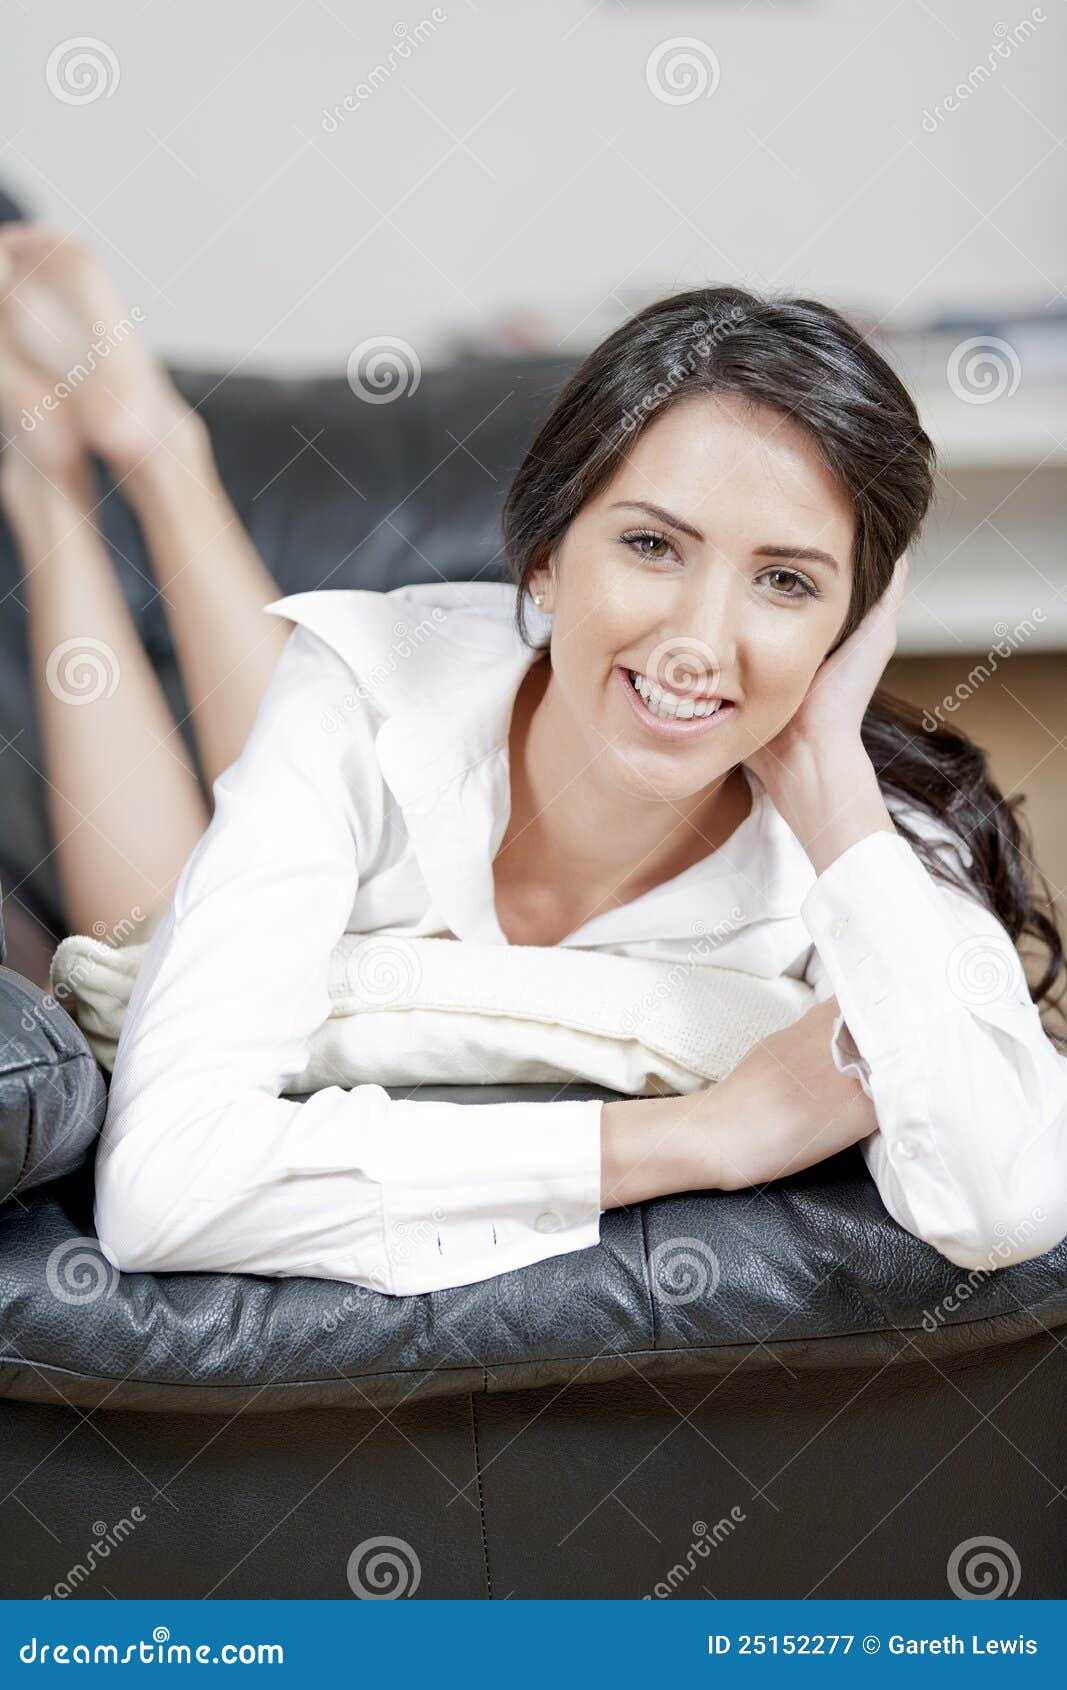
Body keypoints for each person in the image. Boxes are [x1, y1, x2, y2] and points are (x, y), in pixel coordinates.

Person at [2, 223, 1065, 1298]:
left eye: (785, 582)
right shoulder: (372, 691)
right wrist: (704, 1135)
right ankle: (95, 460)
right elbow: (164, 1185)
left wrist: (837, 791)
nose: (699, 640)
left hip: (358, 791)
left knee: (183, 867)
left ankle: (88, 462)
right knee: (173, 889)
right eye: (651, 544)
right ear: (544, 557)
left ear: (848, 628)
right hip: (372, 726)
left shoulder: (866, 845)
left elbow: (1000, 1203)